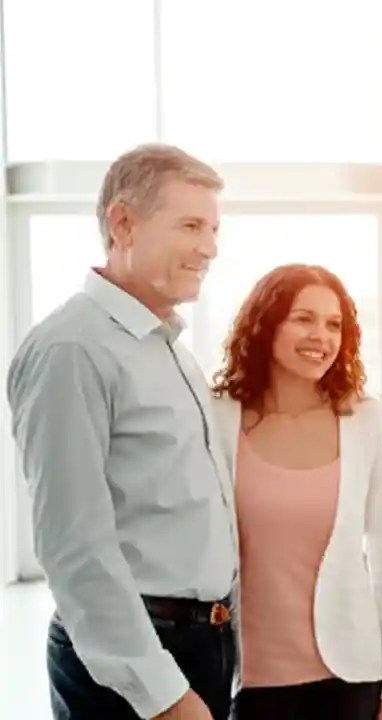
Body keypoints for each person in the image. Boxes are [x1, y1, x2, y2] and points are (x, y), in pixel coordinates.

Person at [7, 144, 235, 720]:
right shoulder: (72, 350)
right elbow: (73, 547)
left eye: (213, 228)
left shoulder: (169, 352)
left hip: (199, 644)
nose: (209, 246)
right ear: (123, 224)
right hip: (136, 663)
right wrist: (162, 694)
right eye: (190, 225)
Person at [208, 264, 382, 720]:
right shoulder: (218, 418)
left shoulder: (367, 421)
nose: (321, 335)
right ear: (266, 324)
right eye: (304, 318)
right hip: (251, 677)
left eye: (334, 323)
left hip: (351, 676)